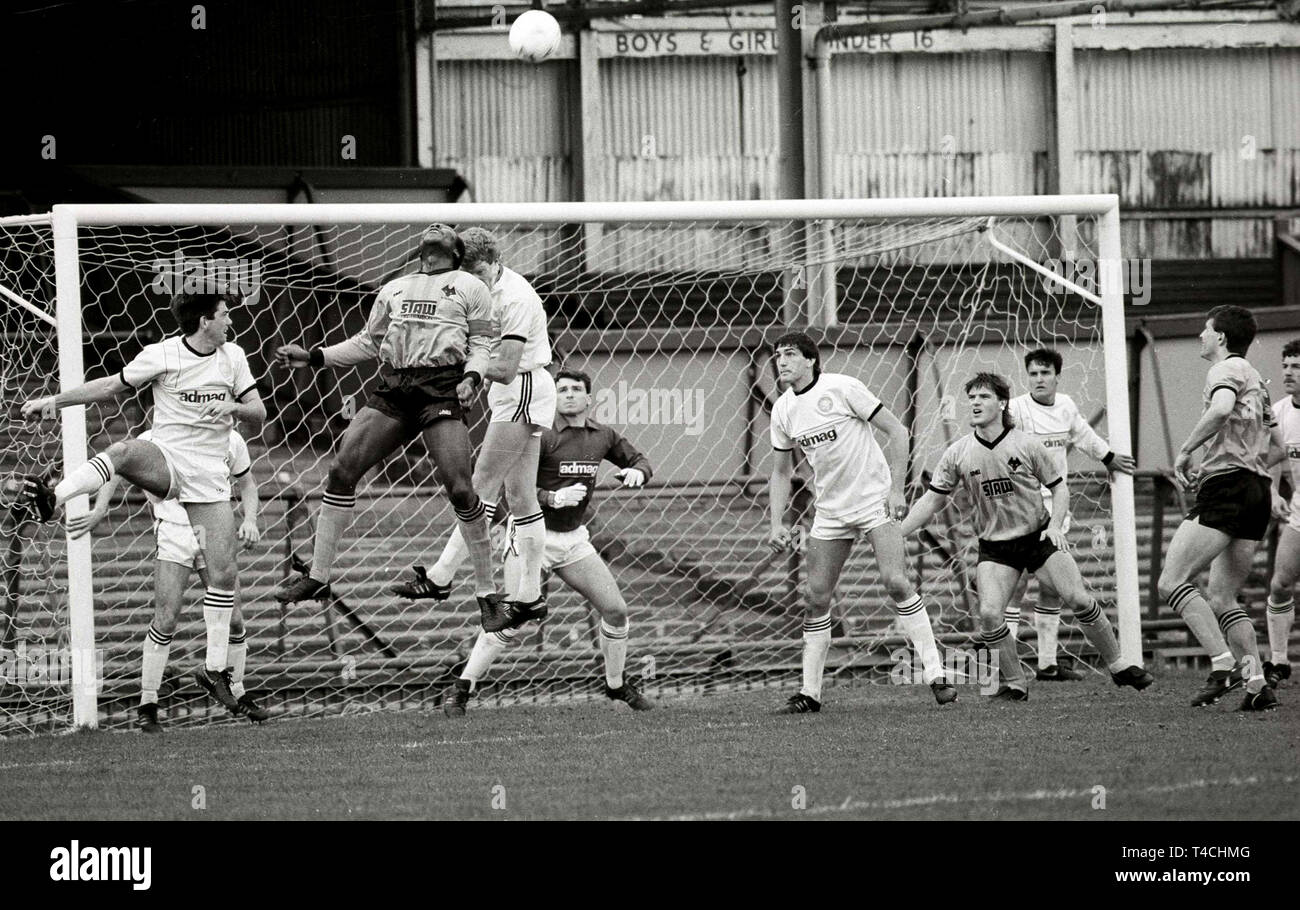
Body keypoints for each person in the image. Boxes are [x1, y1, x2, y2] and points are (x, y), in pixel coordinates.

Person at [21, 291, 266, 712]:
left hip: (210, 479)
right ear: (205, 321)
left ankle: (213, 671)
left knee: (224, 578)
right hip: (169, 462)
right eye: (224, 315)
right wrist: (54, 401)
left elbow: (259, 412)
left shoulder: (234, 357)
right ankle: (54, 497)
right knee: (124, 452)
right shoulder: (162, 354)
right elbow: (109, 387)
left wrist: (231, 405)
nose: (230, 321)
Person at [272, 225, 505, 629]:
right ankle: (317, 577)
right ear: (420, 251)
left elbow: (482, 345)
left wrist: (472, 377)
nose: (436, 230)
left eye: (444, 231)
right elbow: (366, 342)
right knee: (341, 470)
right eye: (431, 231)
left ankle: (487, 595)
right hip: (396, 385)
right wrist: (314, 356)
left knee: (462, 488)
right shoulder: (394, 288)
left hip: (442, 387)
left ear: (454, 250)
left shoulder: (470, 286)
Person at [899, 372, 1153, 700]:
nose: (975, 403)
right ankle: (1016, 683)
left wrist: (1055, 525)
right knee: (990, 614)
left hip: (1038, 539)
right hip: (995, 548)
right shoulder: (958, 453)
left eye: (983, 397)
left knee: (1077, 599)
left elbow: (1060, 488)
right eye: (972, 397)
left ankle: (1118, 665)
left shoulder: (1026, 444)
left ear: (1002, 402)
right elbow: (933, 500)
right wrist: (899, 532)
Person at [439, 369, 655, 715]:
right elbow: (513, 489)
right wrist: (552, 498)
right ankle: (462, 688)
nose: (568, 394)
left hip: (572, 539)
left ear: (589, 398)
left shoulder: (603, 435)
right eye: (561, 389)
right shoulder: (539, 434)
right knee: (510, 617)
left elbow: (639, 460)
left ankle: (616, 686)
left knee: (616, 611)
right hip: (528, 536)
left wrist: (637, 472)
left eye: (575, 389)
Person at [767, 331, 955, 713]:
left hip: (873, 502)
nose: (781, 361)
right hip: (831, 512)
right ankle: (810, 693)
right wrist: (775, 523)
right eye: (777, 356)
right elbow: (781, 472)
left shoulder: (843, 388)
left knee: (895, 581)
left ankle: (936, 674)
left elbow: (898, 431)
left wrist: (898, 490)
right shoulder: (782, 409)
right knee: (816, 596)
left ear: (810, 360)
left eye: (789, 354)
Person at [390, 228, 556, 630]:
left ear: (495, 262)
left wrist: (451, 374)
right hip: (508, 393)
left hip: (522, 386)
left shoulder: (515, 297)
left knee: (479, 483)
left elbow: (506, 366)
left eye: (480, 271)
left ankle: (441, 577)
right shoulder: (463, 290)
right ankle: (530, 598)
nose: (475, 279)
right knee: (519, 498)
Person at [68, 429, 268, 731]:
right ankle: (148, 704)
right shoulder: (154, 437)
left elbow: (248, 482)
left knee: (235, 618)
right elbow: (116, 467)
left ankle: (236, 691)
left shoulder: (231, 438)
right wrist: (100, 507)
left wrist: (250, 519)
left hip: (213, 532)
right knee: (166, 618)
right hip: (174, 531)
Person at [1157, 306, 1281, 710]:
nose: (1200, 337)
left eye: (1205, 331)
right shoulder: (1260, 383)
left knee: (1171, 581)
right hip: (1256, 491)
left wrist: (1187, 451)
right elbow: (1277, 448)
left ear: (1222, 338)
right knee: (1224, 596)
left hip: (1228, 488)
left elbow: (1222, 408)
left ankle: (1223, 663)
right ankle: (1257, 684)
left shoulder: (1224, 370)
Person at [1004, 347, 1136, 681]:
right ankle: (1005, 666)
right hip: (1024, 506)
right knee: (1017, 583)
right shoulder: (1016, 409)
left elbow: (1082, 435)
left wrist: (1108, 457)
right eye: (1033, 373)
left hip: (1057, 507)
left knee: (1054, 588)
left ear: (1057, 376)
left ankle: (1047, 664)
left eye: (1045, 373)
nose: (1039, 379)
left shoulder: (1066, 406)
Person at [1264, 338, 1300, 687]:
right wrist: (1273, 492)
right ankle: (1278, 660)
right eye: (1286, 365)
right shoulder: (1279, 412)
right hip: (1299, 512)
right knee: (1281, 582)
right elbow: (1273, 457)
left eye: (1296, 366)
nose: (1288, 372)